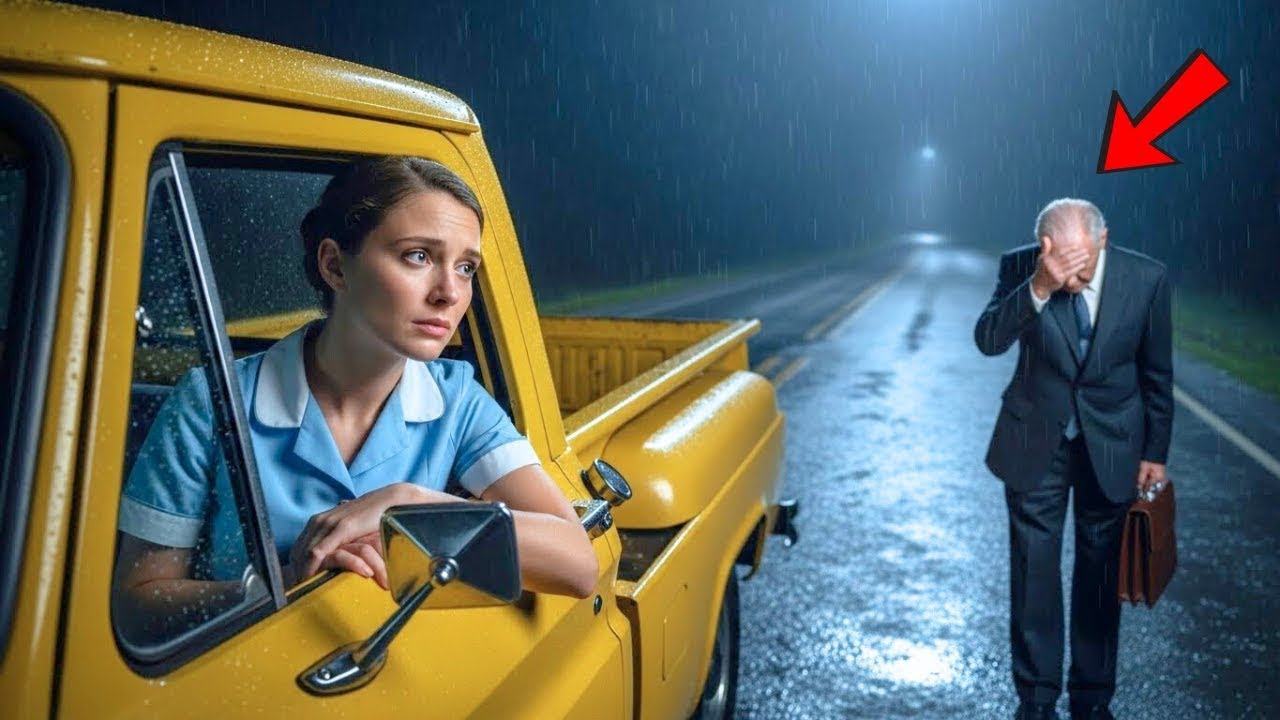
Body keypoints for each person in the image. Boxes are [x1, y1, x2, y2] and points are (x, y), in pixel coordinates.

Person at [113, 156, 597, 644]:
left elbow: (577, 564)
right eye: (418, 256)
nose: (450, 293)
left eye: (466, 267)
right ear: (334, 265)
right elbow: (137, 604)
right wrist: (280, 584)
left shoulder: (457, 400)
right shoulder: (209, 402)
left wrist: (411, 505)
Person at [974, 198, 1173, 720]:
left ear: (1102, 241)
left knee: (1101, 575)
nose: (1072, 273)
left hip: (1113, 444)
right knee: (1033, 573)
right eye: (1060, 261)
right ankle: (1036, 698)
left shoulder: (1147, 279)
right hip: (1034, 440)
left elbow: (1157, 373)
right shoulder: (1022, 268)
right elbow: (989, 339)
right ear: (1044, 248)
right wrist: (1038, 287)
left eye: (1081, 262)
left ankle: (1092, 698)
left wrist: (1155, 451)